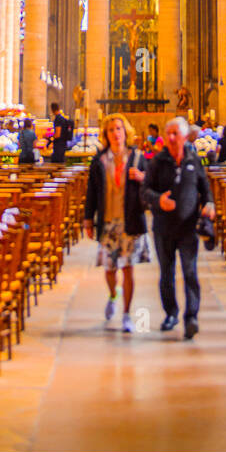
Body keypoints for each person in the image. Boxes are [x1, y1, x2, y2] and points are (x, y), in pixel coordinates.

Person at [142, 116, 215, 340]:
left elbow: (205, 187)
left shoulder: (193, 158)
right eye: (169, 133)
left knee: (190, 272)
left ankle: (191, 317)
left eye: (175, 134)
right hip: (164, 227)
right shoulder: (157, 161)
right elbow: (145, 191)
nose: (171, 138)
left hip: (187, 226)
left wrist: (209, 203)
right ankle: (171, 313)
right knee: (167, 273)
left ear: (184, 137)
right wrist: (158, 200)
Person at [84, 113, 149, 333]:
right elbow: (91, 192)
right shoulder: (99, 160)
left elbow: (151, 184)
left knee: (128, 268)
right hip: (108, 220)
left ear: (125, 131)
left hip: (130, 220)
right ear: (106, 134)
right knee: (110, 270)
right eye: (111, 130)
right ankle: (113, 294)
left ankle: (127, 314)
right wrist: (87, 219)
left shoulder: (138, 157)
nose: (115, 133)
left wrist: (142, 177)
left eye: (118, 129)